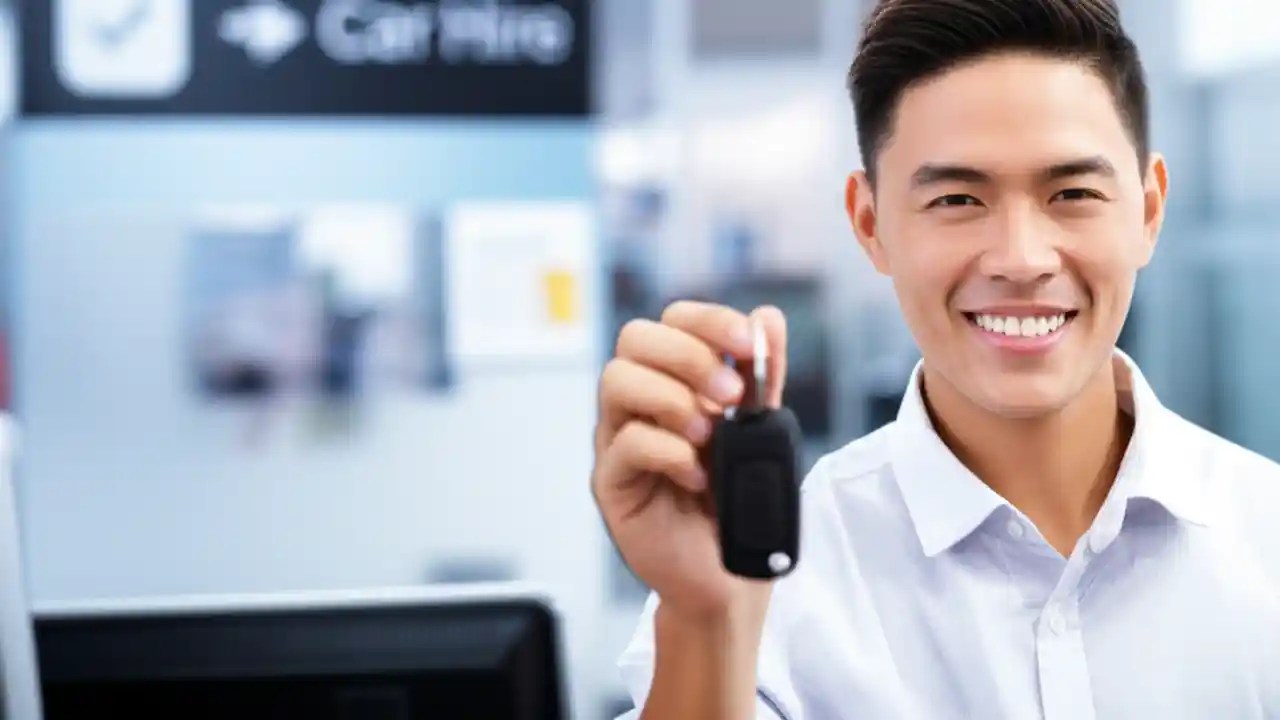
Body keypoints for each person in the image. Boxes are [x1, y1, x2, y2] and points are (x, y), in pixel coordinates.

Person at [590, 0, 1280, 718]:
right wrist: (706, 624)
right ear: (870, 223)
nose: (1021, 259)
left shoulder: (1268, 537)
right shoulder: (774, 580)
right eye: (957, 199)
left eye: (1072, 193)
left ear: (1147, 211)